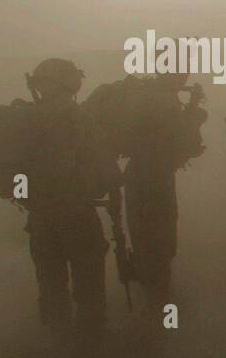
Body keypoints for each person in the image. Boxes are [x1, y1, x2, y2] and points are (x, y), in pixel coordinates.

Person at [0, 59, 121, 334]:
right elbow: (106, 169)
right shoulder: (79, 118)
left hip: (41, 218)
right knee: (88, 283)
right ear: (71, 84)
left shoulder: (21, 118)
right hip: (78, 215)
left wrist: (27, 197)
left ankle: (58, 346)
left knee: (51, 283)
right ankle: (91, 349)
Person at [84, 71, 206, 314]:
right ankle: (158, 301)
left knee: (146, 235)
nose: (186, 74)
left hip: (142, 173)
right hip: (154, 175)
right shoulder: (161, 98)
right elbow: (184, 140)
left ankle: (153, 293)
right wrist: (195, 111)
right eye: (183, 67)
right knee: (159, 237)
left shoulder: (149, 94)